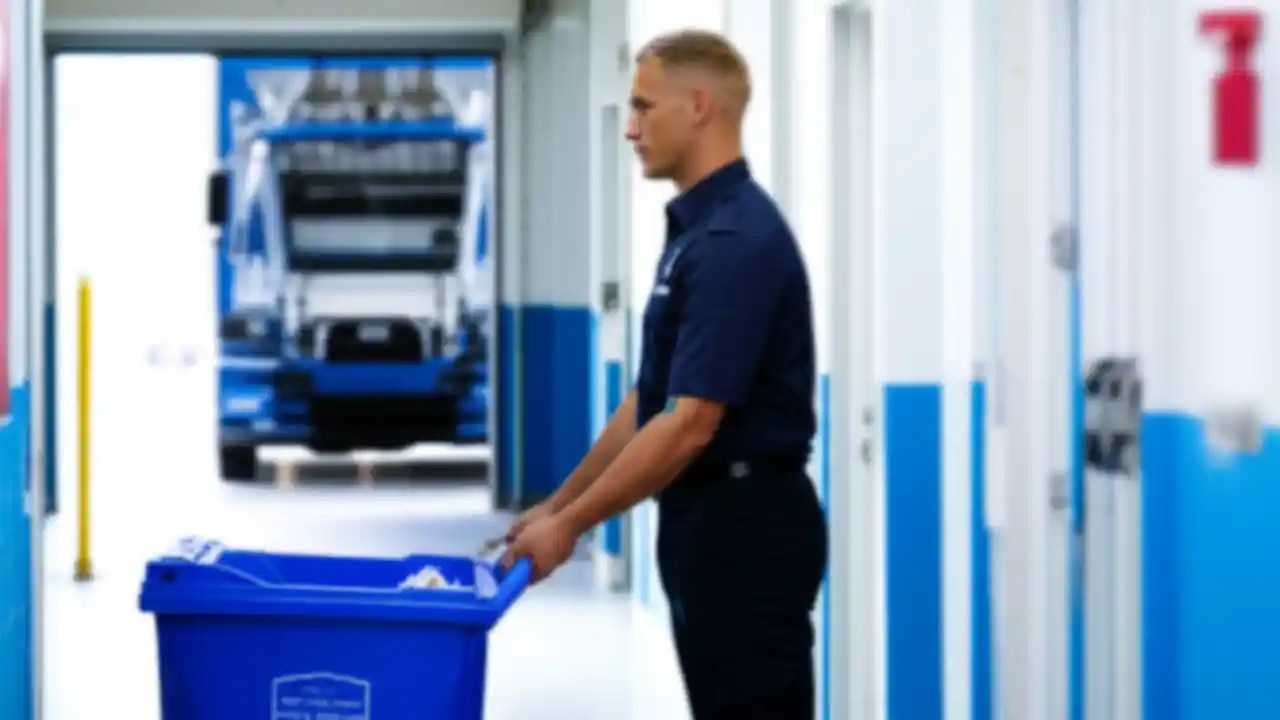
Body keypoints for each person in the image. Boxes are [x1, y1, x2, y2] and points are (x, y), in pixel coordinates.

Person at [502, 28, 827, 719]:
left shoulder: (733, 242)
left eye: (645, 107)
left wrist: (572, 528)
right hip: (708, 522)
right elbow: (652, 401)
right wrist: (558, 507)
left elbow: (689, 426)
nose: (631, 129)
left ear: (700, 106)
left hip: (748, 527)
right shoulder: (695, 235)